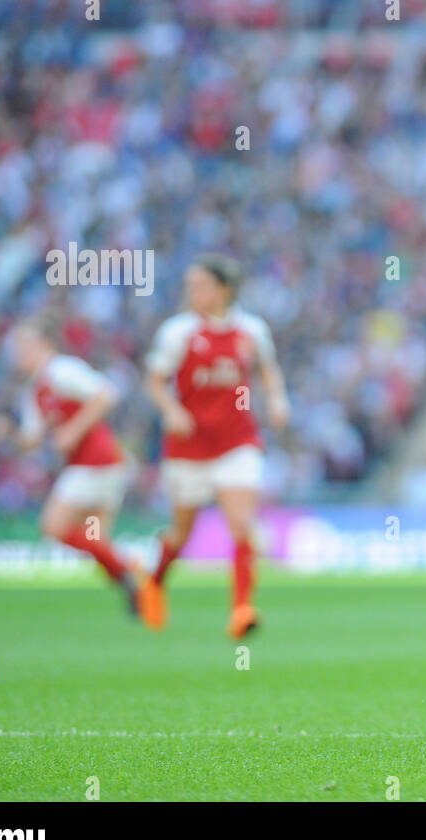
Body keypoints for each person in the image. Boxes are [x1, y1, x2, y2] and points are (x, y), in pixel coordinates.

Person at [144, 255, 290, 639]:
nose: (193, 292)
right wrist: (172, 410)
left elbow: (268, 368)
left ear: (224, 289)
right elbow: (155, 380)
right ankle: (155, 582)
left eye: (200, 285)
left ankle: (242, 609)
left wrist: (277, 399)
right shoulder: (178, 332)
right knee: (181, 534)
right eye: (191, 285)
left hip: (237, 441)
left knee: (241, 525)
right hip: (189, 446)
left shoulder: (251, 330)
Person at [6, 316, 164, 627]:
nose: (18, 353)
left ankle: (130, 570)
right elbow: (32, 439)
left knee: (54, 527)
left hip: (95, 461)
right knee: (97, 542)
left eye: (24, 345)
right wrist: (8, 433)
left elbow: (106, 394)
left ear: (44, 345)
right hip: (101, 465)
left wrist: (73, 430)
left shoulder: (61, 370)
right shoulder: (35, 389)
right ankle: (138, 588)